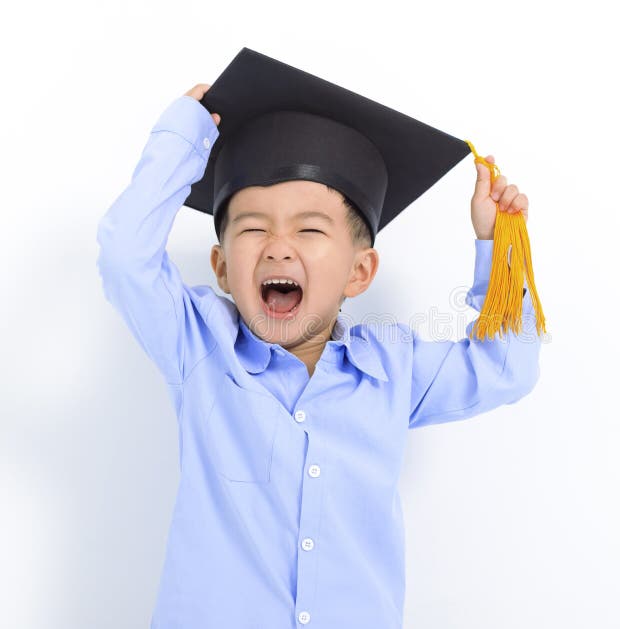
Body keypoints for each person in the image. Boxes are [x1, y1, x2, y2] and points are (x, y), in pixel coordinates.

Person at [96, 48, 542, 629]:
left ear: (359, 273)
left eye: (309, 229)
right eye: (253, 228)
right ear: (223, 268)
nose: (279, 247)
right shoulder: (199, 347)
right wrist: (182, 139)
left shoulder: (393, 369)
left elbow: (508, 366)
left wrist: (498, 242)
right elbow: (126, 257)